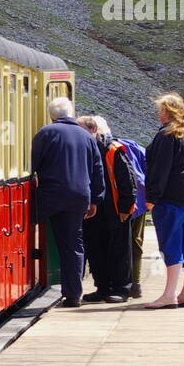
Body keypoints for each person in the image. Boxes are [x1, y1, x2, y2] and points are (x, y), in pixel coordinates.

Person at [31, 97, 104, 307]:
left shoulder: (45, 133)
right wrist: (95, 200)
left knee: (30, 234)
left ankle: (34, 279)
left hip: (49, 196)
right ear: (71, 113)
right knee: (73, 245)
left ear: (52, 116)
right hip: (78, 197)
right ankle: (73, 295)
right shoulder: (87, 136)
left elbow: (32, 164)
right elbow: (97, 170)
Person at [144, 93, 184, 308]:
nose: (159, 114)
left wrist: (152, 198)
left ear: (166, 112)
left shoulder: (166, 135)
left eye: (160, 110)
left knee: (171, 246)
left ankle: (169, 294)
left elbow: (160, 170)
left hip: (170, 200)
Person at [77, 115, 138, 302]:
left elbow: (128, 180)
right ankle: (102, 287)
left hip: (115, 208)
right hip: (94, 208)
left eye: (82, 130)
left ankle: (122, 289)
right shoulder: (84, 149)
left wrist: (126, 208)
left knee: (119, 250)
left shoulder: (113, 149)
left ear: (93, 130)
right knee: (95, 249)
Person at [113, 128, 150, 298]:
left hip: (122, 202)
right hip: (141, 200)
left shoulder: (111, 149)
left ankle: (126, 283)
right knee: (136, 242)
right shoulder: (132, 145)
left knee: (121, 243)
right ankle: (135, 284)